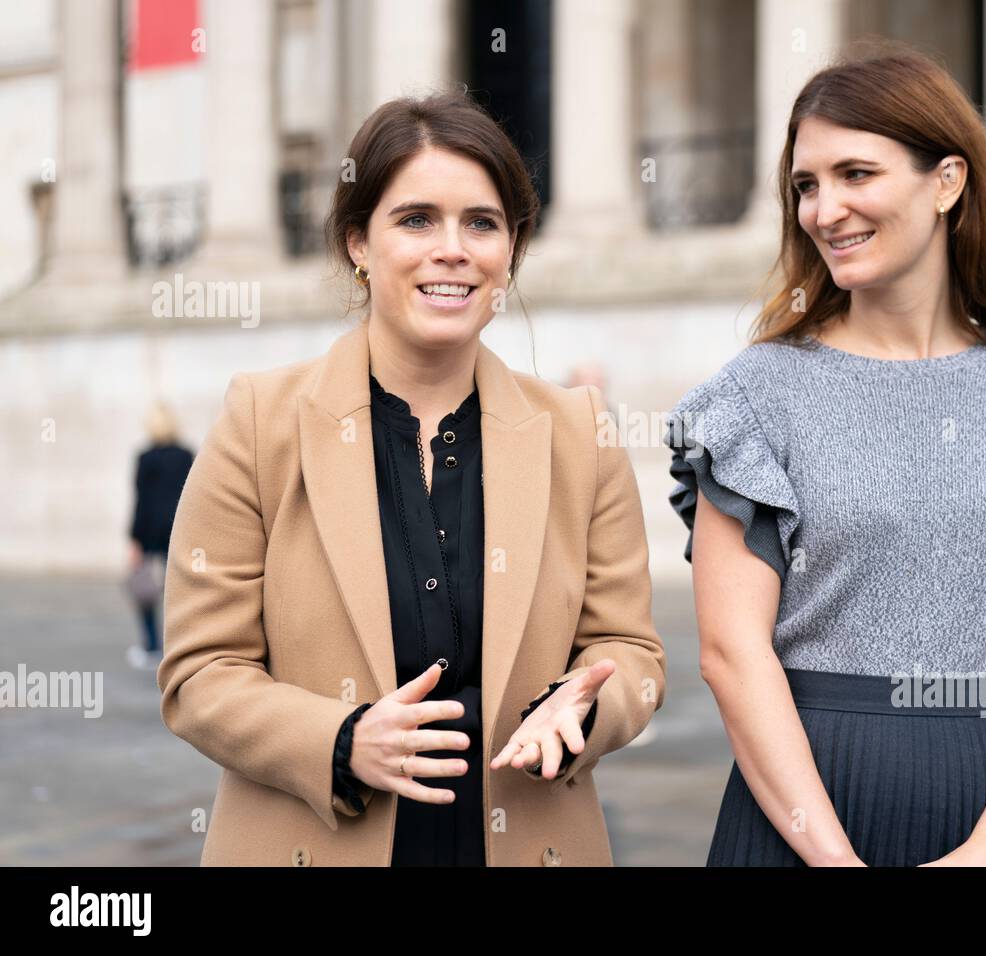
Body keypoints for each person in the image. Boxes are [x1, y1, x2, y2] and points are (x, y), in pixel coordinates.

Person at [664, 46, 986, 866]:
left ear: (948, 182)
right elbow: (730, 654)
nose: (825, 210)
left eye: (857, 173)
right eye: (807, 185)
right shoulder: (755, 395)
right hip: (797, 813)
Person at [158, 91, 665, 866]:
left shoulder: (582, 431)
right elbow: (198, 674)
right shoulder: (260, 421)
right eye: (417, 219)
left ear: (511, 252)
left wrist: (586, 710)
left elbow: (630, 651)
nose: (454, 249)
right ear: (358, 241)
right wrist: (339, 740)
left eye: (482, 223)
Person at [127, 400, 192, 670]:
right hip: (181, 529)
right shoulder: (187, 455)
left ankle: (152, 645)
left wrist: (135, 540)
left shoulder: (145, 458)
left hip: (152, 532)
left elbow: (141, 501)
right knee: (179, 592)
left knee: (145, 591)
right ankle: (179, 646)